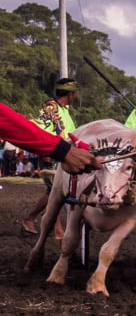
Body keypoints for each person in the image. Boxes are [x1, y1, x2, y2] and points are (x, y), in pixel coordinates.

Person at [23, 77, 80, 236]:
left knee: (56, 192)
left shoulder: (64, 110)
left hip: (61, 156)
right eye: (73, 94)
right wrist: (47, 153)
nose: (74, 97)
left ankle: (33, 219)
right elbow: (43, 131)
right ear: (69, 94)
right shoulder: (51, 108)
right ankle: (56, 229)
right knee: (55, 191)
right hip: (50, 156)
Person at [0, 102, 96, 172]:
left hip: (53, 149)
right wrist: (63, 150)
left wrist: (63, 150)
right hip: (52, 149)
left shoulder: (63, 116)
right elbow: (13, 125)